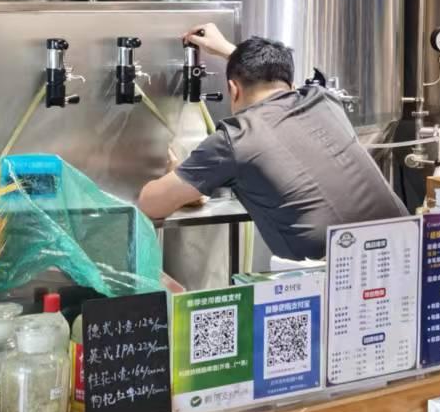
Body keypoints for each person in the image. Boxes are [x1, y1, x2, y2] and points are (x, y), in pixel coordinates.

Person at [136, 25, 407, 261]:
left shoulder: (236, 138)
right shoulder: (324, 100)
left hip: (328, 278)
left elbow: (150, 204)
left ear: (233, 89)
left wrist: (174, 171)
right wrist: (232, 51)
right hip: (407, 252)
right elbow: (278, 83)